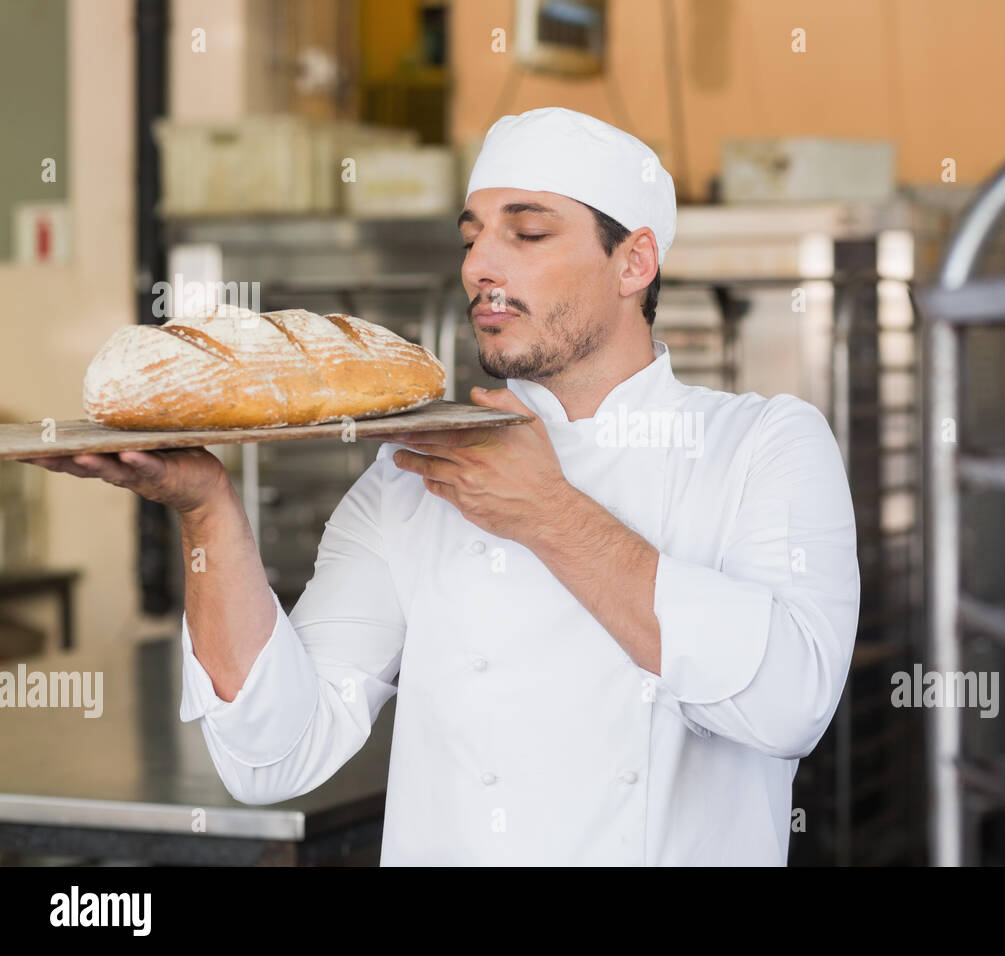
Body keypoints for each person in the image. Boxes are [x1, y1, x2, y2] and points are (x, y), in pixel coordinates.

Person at [24, 107, 860, 865]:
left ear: (634, 259)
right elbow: (274, 755)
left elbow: (788, 706)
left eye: (527, 234)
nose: (481, 266)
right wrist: (207, 509)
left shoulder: (764, 445)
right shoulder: (416, 468)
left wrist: (550, 516)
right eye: (471, 237)